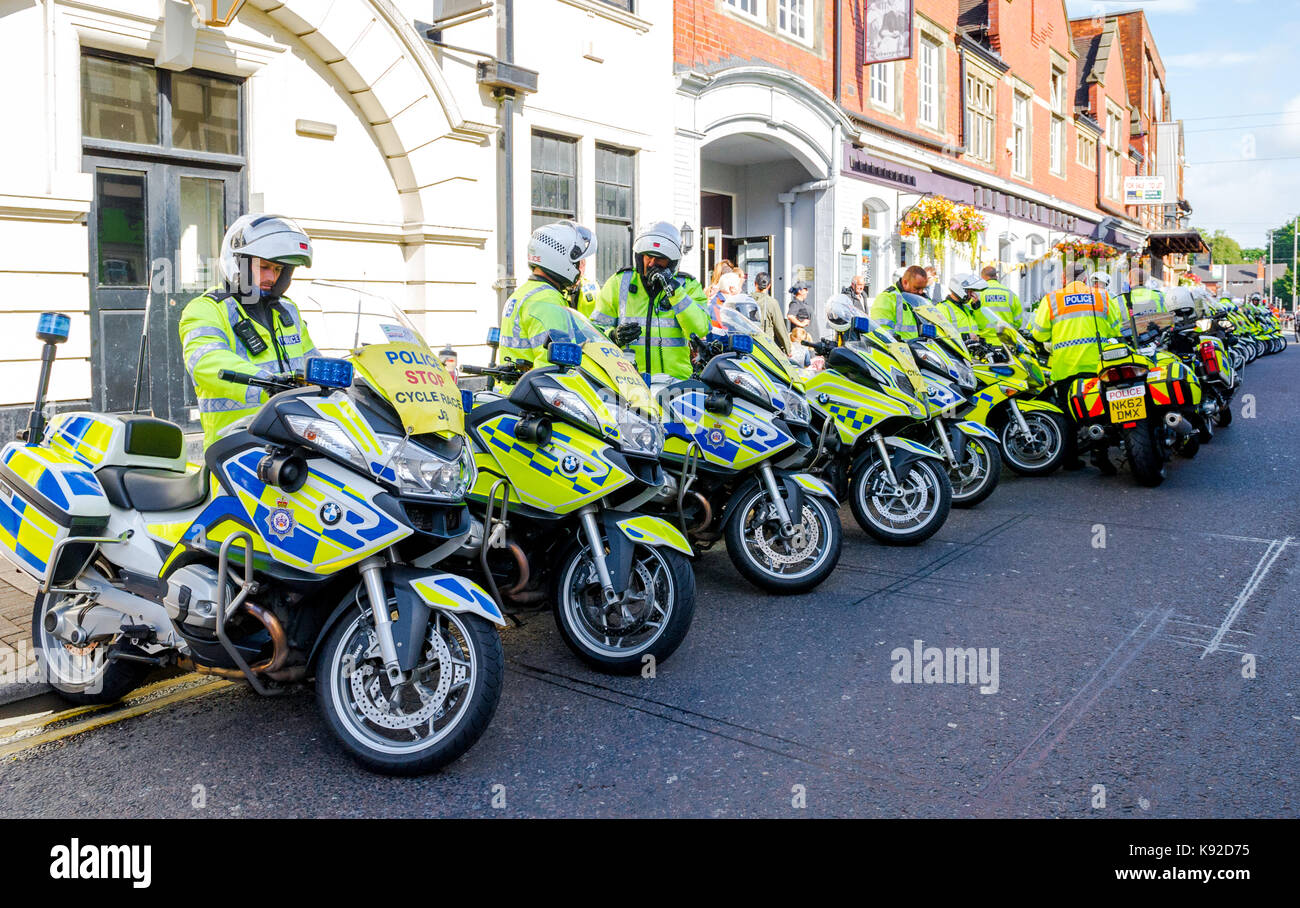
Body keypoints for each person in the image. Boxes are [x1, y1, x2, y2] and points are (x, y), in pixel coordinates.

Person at [180, 213, 318, 448]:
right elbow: (206, 361)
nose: (271, 277)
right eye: (264, 266)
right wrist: (267, 383)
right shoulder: (207, 308)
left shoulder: (287, 310)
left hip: (295, 439)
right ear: (238, 263)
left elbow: (312, 361)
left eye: (277, 269)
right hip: (236, 445)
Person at [1031, 263, 1121, 471]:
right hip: (1095, 365)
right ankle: (1101, 456)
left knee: (1068, 413)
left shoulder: (1052, 299)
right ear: (1085, 279)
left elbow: (1039, 334)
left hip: (1065, 366)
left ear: (1064, 278)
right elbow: (1116, 329)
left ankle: (1070, 460)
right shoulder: (1102, 296)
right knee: (1101, 411)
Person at [591, 221, 709, 379]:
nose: (652, 263)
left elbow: (700, 329)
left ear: (671, 262)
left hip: (675, 382)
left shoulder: (688, 286)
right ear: (640, 257)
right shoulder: (619, 282)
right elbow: (593, 331)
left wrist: (674, 291)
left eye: (659, 258)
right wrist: (613, 336)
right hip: (627, 381)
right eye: (648, 256)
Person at [498, 221, 597, 372]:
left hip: (513, 390)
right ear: (560, 258)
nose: (580, 269)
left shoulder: (524, 293)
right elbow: (551, 368)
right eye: (578, 262)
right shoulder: (547, 301)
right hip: (535, 395)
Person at [868, 265, 929, 338]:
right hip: (899, 348)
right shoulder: (887, 298)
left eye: (923, 288)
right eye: (917, 288)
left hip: (924, 347)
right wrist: (897, 340)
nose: (921, 292)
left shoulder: (923, 300)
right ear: (905, 282)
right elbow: (881, 330)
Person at [753, 272, 791, 354]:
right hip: (766, 346)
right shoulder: (772, 303)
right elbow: (780, 327)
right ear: (769, 286)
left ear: (754, 283)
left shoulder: (746, 300)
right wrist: (788, 349)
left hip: (749, 345)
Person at [978, 265, 1023, 331]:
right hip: (1006, 338)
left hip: (984, 338)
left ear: (983, 277)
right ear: (996, 276)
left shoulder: (978, 293)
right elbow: (1018, 321)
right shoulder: (1010, 294)